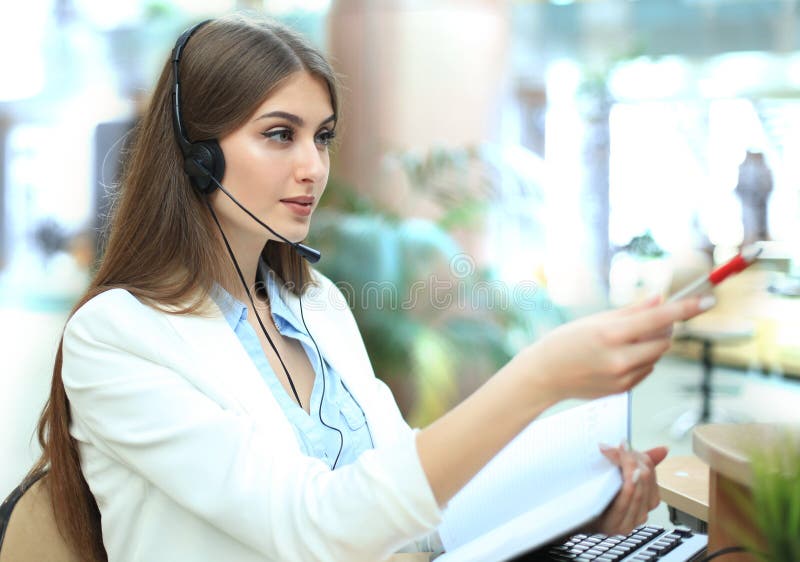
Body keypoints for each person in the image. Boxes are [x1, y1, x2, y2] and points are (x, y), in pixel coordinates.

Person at [30, 13, 713, 562]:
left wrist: (569, 506)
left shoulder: (312, 303)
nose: (313, 168)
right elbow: (315, 528)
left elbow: (404, 496)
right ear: (195, 154)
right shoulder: (117, 334)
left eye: (321, 137)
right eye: (279, 134)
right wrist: (536, 378)